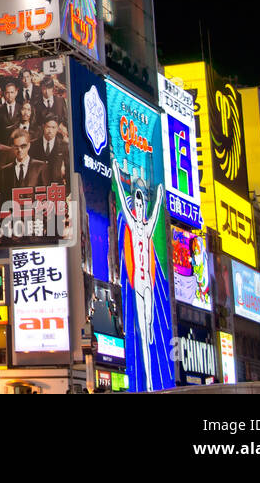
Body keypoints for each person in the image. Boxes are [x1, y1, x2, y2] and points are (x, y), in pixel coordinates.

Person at [113, 164, 163, 392]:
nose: (140, 207)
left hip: (148, 284)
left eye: (143, 204)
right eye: (138, 204)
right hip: (138, 283)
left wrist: (160, 194)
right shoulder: (133, 225)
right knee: (143, 332)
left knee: (149, 325)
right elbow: (123, 201)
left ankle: (151, 328)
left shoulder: (147, 227)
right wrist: (114, 171)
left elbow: (156, 212)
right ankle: (150, 384)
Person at [0, 130, 49, 201]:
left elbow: (46, 196)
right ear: (12, 147)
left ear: (29, 145)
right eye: (16, 147)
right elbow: (3, 198)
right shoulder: (5, 171)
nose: (19, 150)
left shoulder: (40, 167)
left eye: (23, 146)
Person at [36, 116, 71, 183]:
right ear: (43, 127)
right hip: (38, 186)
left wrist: (67, 190)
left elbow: (68, 169)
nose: (50, 131)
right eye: (48, 127)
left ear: (57, 129)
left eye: (53, 127)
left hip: (56, 187)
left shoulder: (64, 146)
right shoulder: (34, 144)